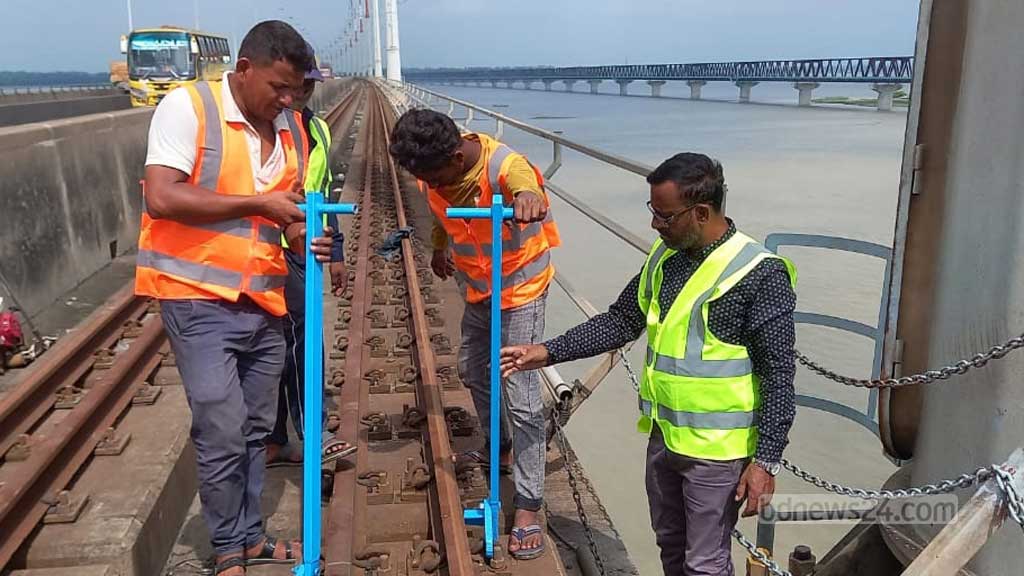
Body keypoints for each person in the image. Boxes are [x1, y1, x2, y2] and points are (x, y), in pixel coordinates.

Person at [501, 153, 797, 576]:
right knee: (671, 545)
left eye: (665, 216)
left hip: (717, 454)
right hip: (664, 437)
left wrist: (765, 462)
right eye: (652, 213)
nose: (655, 225)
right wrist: (547, 351)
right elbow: (622, 320)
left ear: (700, 212)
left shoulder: (759, 275)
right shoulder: (665, 257)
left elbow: (779, 375)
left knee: (705, 563)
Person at [135, 20, 336, 576]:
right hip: (197, 298)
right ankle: (227, 548)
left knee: (252, 430)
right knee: (220, 425)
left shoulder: (292, 128)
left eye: (295, 89)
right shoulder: (188, 108)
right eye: (279, 86)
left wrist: (302, 233)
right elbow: (162, 196)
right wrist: (257, 204)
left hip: (265, 303)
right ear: (244, 69)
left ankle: (250, 539)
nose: (288, 98)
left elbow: (287, 216)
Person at [388, 109, 560, 560]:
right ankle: (499, 447)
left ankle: (528, 505)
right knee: (471, 370)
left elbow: (526, 185)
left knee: (520, 392)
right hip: (480, 286)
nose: (430, 183)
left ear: (455, 154)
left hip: (521, 286)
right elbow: (442, 215)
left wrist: (526, 199)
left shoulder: (503, 166)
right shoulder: (433, 175)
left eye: (433, 174)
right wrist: (441, 249)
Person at [265, 43, 356, 468]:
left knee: (298, 342)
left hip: (302, 250)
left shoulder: (316, 129)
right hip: (267, 249)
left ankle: (293, 434)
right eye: (298, 85)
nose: (303, 93)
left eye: (309, 85)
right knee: (284, 345)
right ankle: (296, 434)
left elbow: (323, 193)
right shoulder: (264, 127)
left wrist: (335, 250)